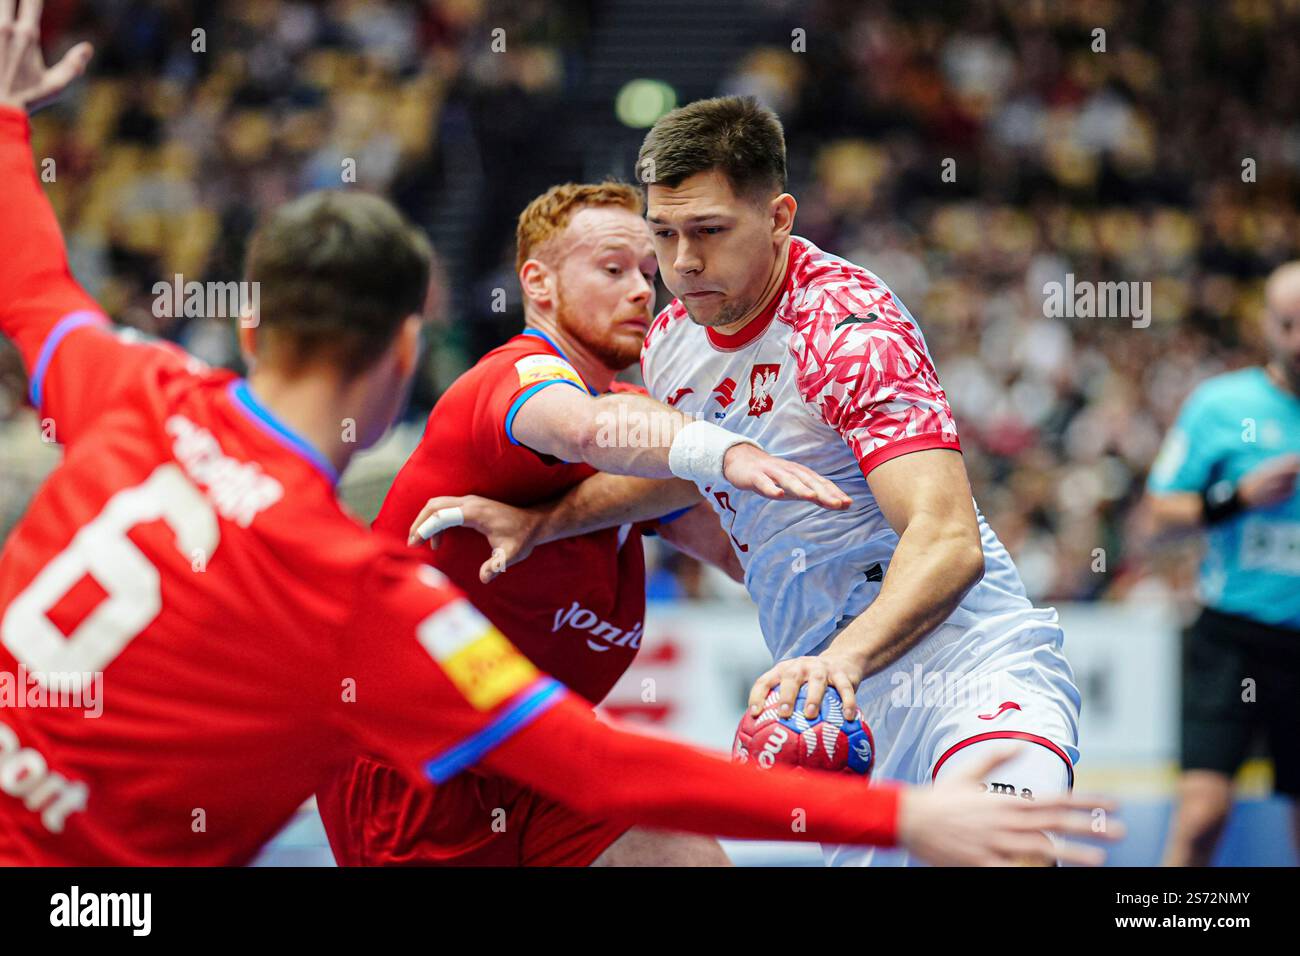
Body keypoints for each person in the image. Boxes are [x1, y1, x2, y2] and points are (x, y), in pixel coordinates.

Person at [0, 5, 1115, 867]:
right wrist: (708, 450)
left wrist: (9, 122)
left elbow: (35, 286)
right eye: (632, 258)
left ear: (247, 322)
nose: (658, 281)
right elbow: (593, 441)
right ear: (406, 350)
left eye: (671, 251)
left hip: (930, 666)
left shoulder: (129, 385)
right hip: (408, 797)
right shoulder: (364, 566)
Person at [430, 96, 1084, 867]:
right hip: (838, 707)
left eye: (709, 232)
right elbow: (687, 479)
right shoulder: (673, 342)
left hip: (964, 667)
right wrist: (545, 523)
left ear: (778, 217)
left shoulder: (849, 329)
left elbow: (946, 541)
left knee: (1011, 860)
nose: (682, 265)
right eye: (665, 236)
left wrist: (843, 658)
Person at [320, 181, 836, 866]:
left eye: (649, 274)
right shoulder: (512, 379)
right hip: (418, 759)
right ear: (537, 282)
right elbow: (593, 430)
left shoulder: (642, 432)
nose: (642, 293)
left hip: (542, 753)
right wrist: (727, 448)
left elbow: (762, 565)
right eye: (613, 269)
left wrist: (854, 645)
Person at [1144, 260, 1300, 866]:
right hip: (1231, 639)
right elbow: (1159, 509)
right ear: (1267, 325)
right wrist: (1236, 498)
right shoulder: (1221, 405)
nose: (1299, 341)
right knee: (1204, 815)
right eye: (1289, 325)